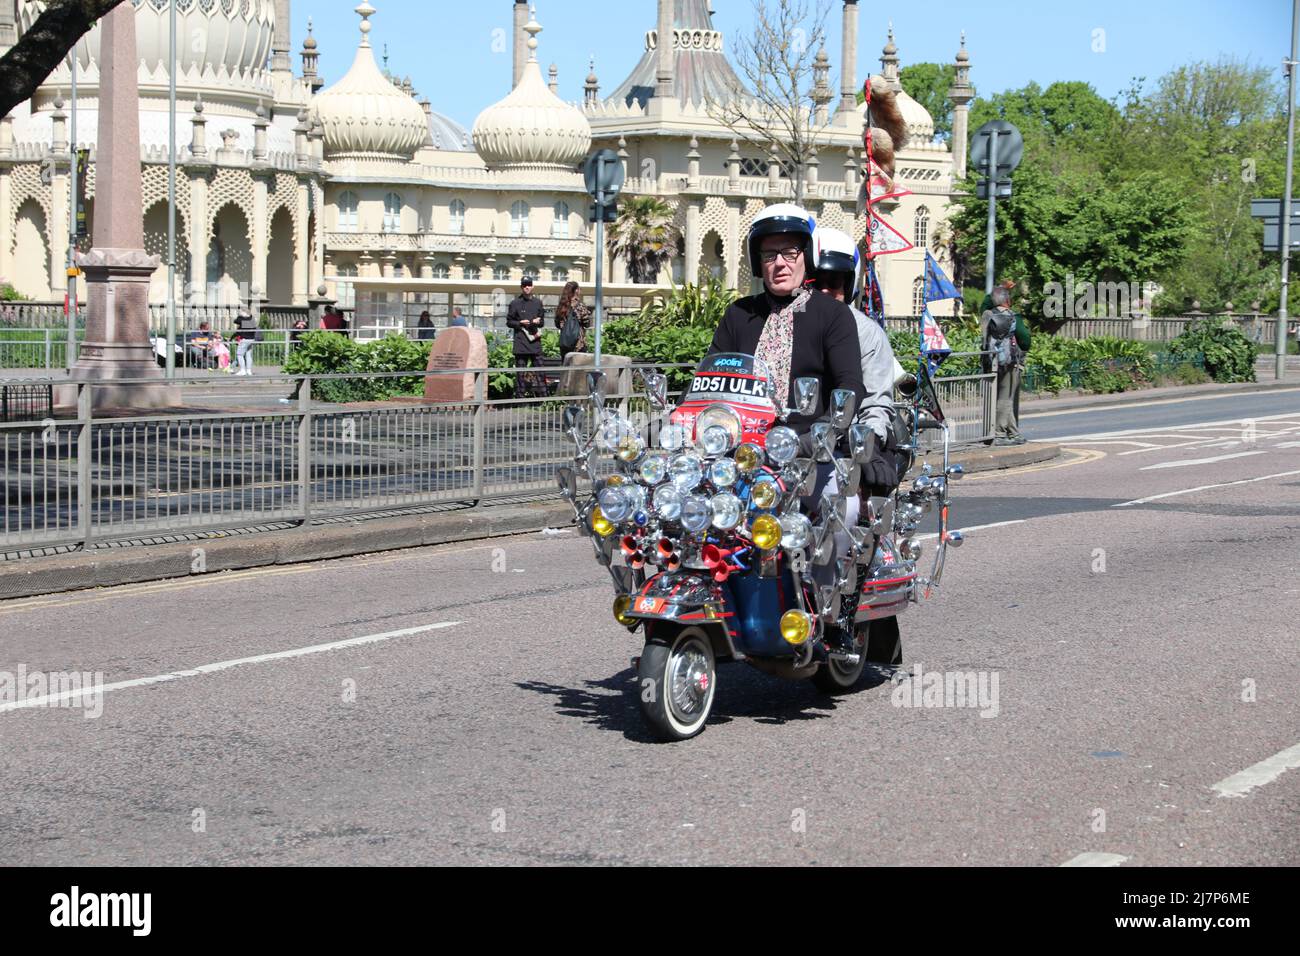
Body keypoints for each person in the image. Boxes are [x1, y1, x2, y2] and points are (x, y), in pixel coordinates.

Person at [810, 225, 900, 495]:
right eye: (816, 283)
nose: (824, 291)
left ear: (849, 284)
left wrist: (866, 443)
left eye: (834, 282)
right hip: (795, 444)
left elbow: (875, 402)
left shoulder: (867, 333)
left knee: (853, 512)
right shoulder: (787, 325)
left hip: (847, 444)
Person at [981, 285, 1031, 444]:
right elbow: (1025, 341)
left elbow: (986, 303)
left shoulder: (987, 315)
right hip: (1009, 363)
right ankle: (999, 434)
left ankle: (1013, 433)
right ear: (1008, 300)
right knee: (1006, 398)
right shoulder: (1014, 316)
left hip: (990, 361)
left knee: (1002, 397)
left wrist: (995, 293)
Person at [506, 276, 545, 398]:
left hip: (535, 342)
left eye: (529, 285)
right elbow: (509, 322)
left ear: (532, 286)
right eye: (524, 285)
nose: (526, 287)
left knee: (539, 371)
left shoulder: (538, 302)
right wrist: (520, 323)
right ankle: (520, 398)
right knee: (520, 373)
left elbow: (542, 322)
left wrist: (538, 321)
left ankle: (543, 397)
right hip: (521, 343)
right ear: (521, 287)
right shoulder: (515, 303)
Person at [554, 280, 592, 361]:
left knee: (566, 368)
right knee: (578, 369)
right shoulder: (579, 306)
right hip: (578, 343)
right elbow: (587, 323)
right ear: (576, 290)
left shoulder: (562, 306)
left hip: (565, 343)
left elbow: (557, 324)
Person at [232, 310, 259, 376]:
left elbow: (235, 321)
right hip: (251, 339)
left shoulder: (242, 320)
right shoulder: (252, 320)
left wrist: (240, 316)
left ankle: (242, 370)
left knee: (240, 355)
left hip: (244, 339)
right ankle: (249, 370)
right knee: (248, 355)